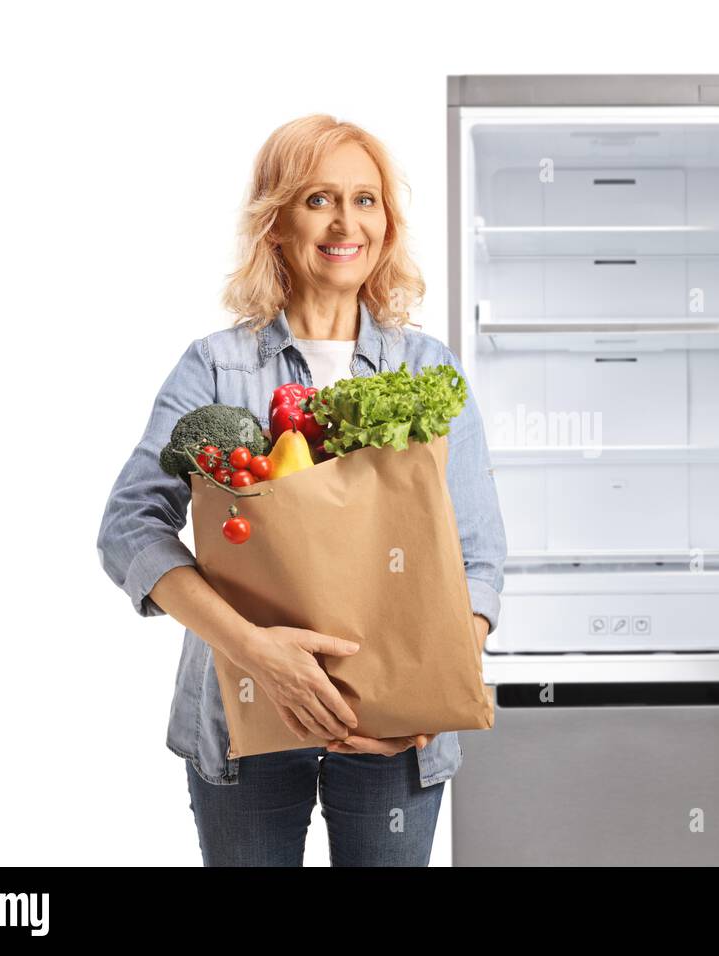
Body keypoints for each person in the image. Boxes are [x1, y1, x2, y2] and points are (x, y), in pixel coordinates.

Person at [96, 114, 507, 866]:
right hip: (242, 708)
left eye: (366, 200)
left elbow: (477, 559)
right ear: (276, 222)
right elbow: (129, 528)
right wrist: (257, 652)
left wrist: (422, 691)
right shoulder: (217, 367)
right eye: (319, 199)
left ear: (386, 223)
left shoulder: (426, 369)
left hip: (394, 737)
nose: (346, 222)